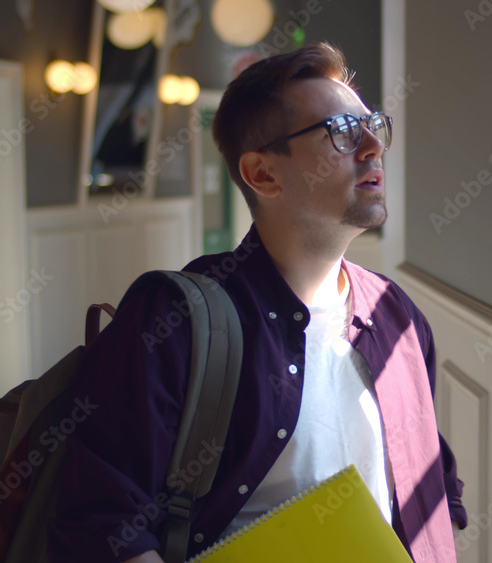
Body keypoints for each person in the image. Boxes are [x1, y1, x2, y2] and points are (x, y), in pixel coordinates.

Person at [48, 43, 467, 562]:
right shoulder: (175, 320)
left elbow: (437, 486)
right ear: (262, 174)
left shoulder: (396, 315)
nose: (370, 147)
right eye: (339, 131)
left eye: (373, 126)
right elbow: (101, 523)